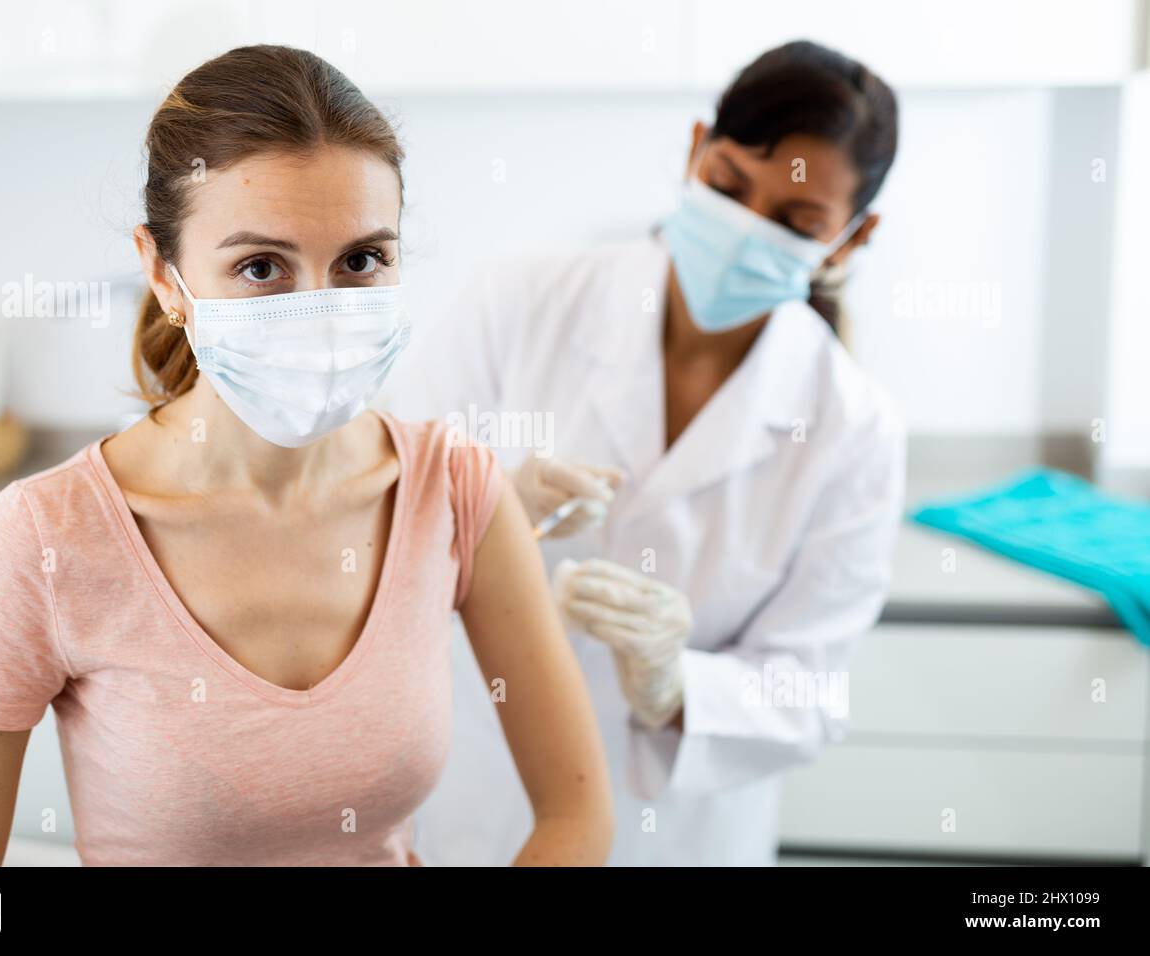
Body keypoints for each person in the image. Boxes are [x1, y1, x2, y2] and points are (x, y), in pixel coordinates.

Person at [0, 45, 612, 867]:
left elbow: (576, 815)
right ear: (163, 275)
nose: (323, 308)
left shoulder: (456, 491)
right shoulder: (40, 540)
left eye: (361, 259)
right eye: (261, 267)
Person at [386, 40, 907, 866]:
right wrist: (474, 515)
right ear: (698, 147)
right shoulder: (523, 302)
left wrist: (677, 688)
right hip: (483, 797)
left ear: (851, 237)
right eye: (730, 186)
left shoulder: (853, 427)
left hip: (682, 832)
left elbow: (806, 691)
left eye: (795, 221)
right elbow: (360, 509)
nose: (744, 231)